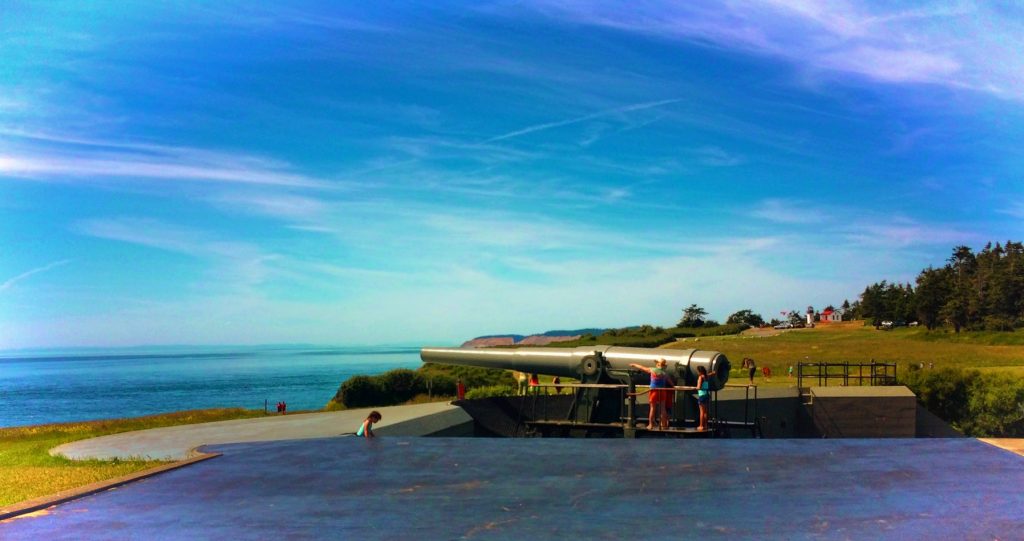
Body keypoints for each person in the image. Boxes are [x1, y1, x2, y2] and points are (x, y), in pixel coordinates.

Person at [630, 359, 670, 430]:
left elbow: (642, 367)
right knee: (663, 409)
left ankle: (651, 424)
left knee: (652, 408)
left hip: (653, 391)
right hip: (662, 391)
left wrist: (634, 365)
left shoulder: (652, 370)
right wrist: (673, 386)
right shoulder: (664, 373)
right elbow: (669, 381)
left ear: (657, 364)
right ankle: (664, 425)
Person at [696, 365, 717, 431]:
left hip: (702, 395)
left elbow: (699, 387)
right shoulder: (706, 376)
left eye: (698, 371)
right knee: (705, 412)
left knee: (701, 412)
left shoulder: (700, 377)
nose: (697, 372)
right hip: (706, 395)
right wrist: (713, 373)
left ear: (700, 371)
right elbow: (709, 375)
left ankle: (701, 425)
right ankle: (706, 425)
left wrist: (695, 387)